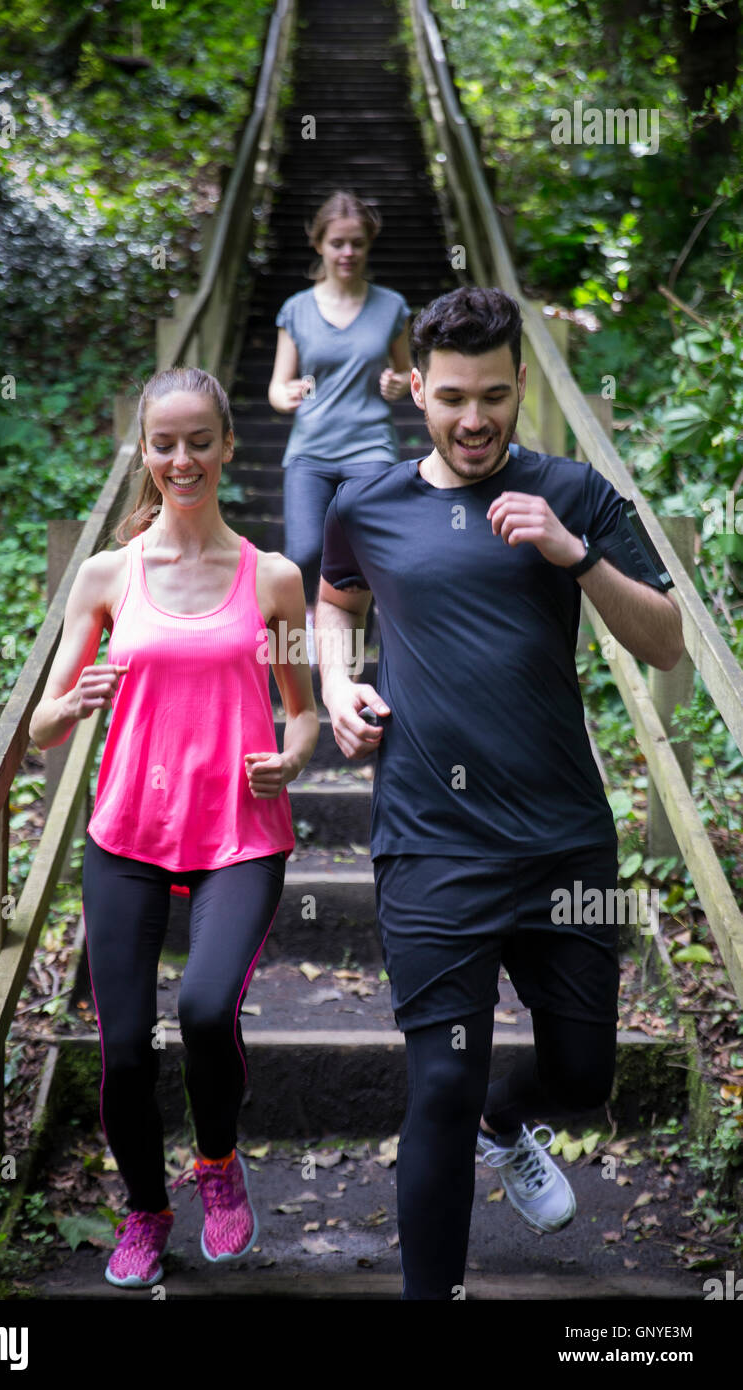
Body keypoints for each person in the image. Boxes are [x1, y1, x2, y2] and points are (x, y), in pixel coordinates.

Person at [314, 286, 683, 1300]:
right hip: (431, 844)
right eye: (448, 397)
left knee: (581, 1077)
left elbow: (662, 642)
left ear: (519, 385)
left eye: (490, 395)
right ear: (414, 392)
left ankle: (505, 1120)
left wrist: (574, 556)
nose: (471, 419)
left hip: (564, 839)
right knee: (438, 1079)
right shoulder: (368, 501)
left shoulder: (574, 490)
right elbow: (334, 595)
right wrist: (334, 679)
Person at [29, 366, 318, 1288]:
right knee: (120, 1046)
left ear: (229, 447)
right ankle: (147, 1211)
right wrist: (75, 699)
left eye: (200, 440)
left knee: (200, 1010)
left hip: (240, 828)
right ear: (146, 455)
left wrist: (295, 757)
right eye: (165, 443)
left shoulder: (272, 580)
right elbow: (38, 723)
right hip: (128, 832)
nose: (182, 458)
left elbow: (302, 710)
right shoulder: (109, 576)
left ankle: (220, 1165)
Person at [268, 190, 412, 656]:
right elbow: (277, 386)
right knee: (306, 552)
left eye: (356, 243)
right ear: (319, 245)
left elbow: (412, 378)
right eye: (337, 243)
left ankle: (354, 639)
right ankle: (310, 624)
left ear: (368, 247)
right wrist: (286, 395)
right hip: (310, 449)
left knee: (366, 549)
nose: (347, 253)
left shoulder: (392, 308)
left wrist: (397, 386)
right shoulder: (296, 309)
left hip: (370, 447)